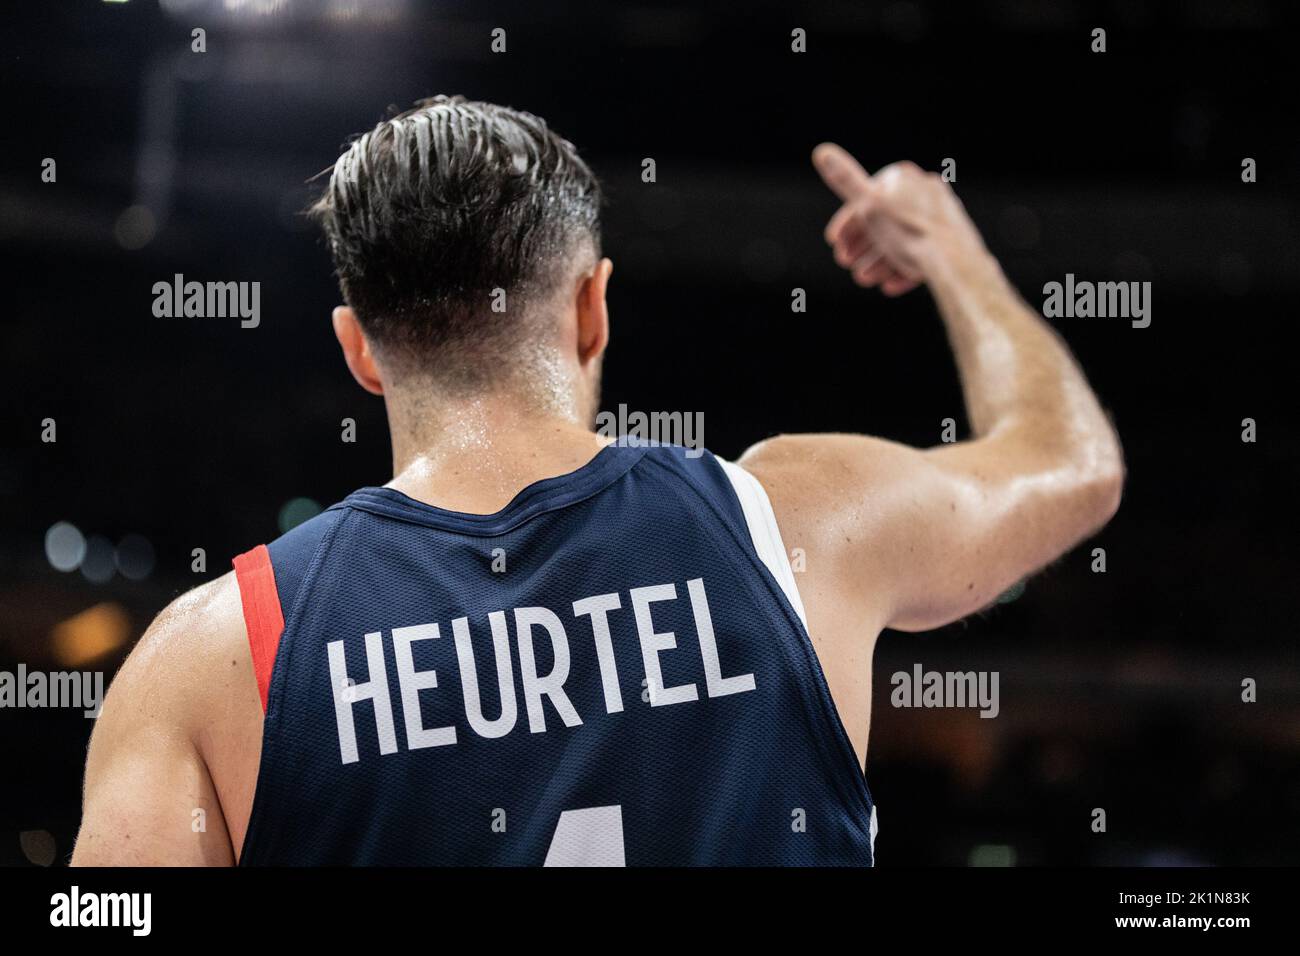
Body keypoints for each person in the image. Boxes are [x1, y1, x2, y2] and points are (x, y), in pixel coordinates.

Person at [72, 96, 1122, 866]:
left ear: (359, 349)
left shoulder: (210, 657)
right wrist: (948, 245)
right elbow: (1071, 463)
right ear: (592, 310)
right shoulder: (796, 523)